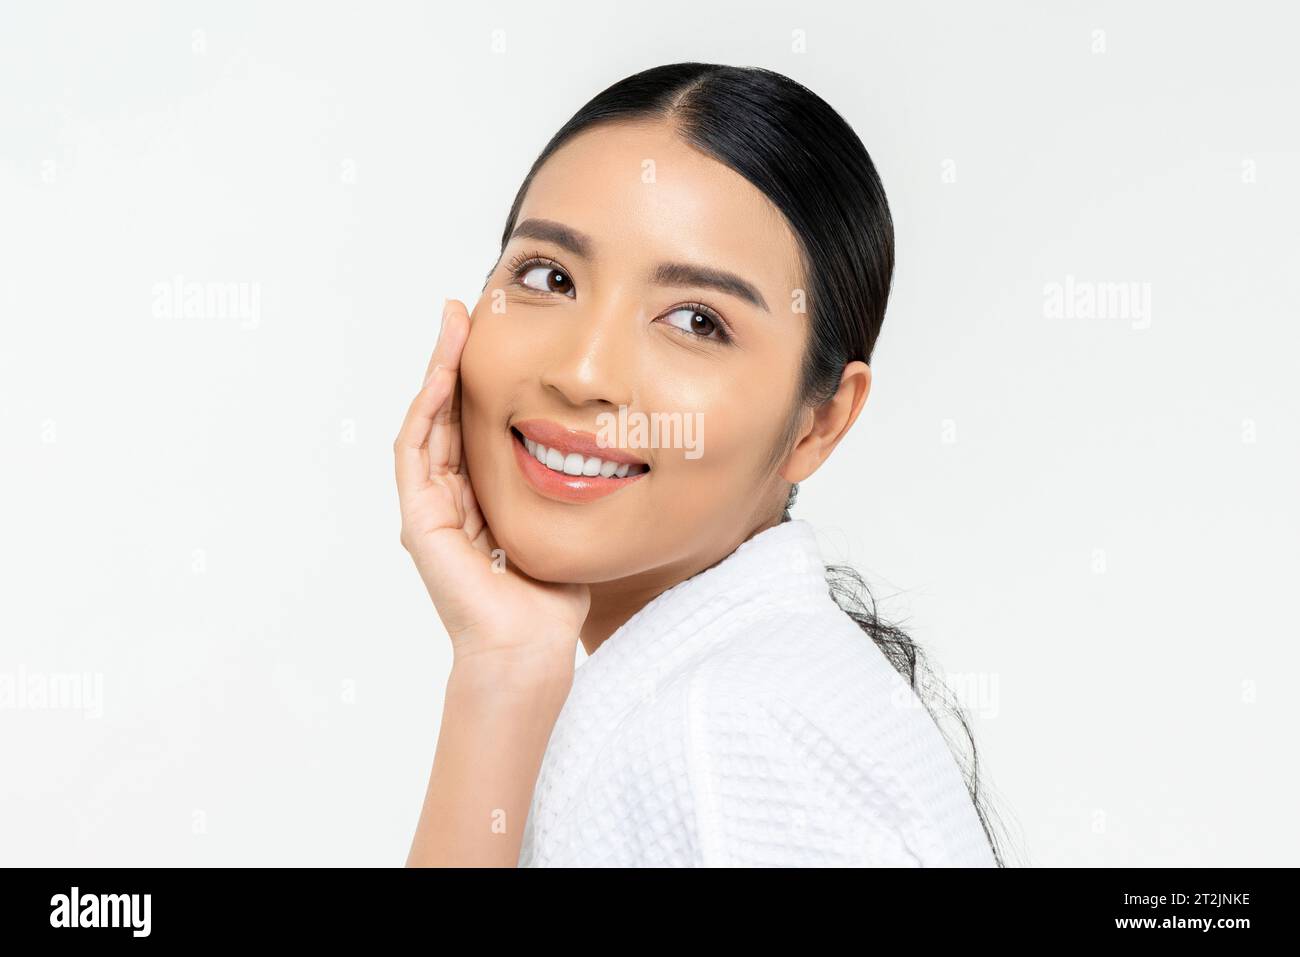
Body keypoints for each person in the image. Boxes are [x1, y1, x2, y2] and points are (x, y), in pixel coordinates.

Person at [395, 62, 1007, 867]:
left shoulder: (732, 731)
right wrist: (505, 667)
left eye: (695, 320)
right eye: (549, 276)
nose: (582, 372)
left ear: (818, 423)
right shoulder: (737, 695)